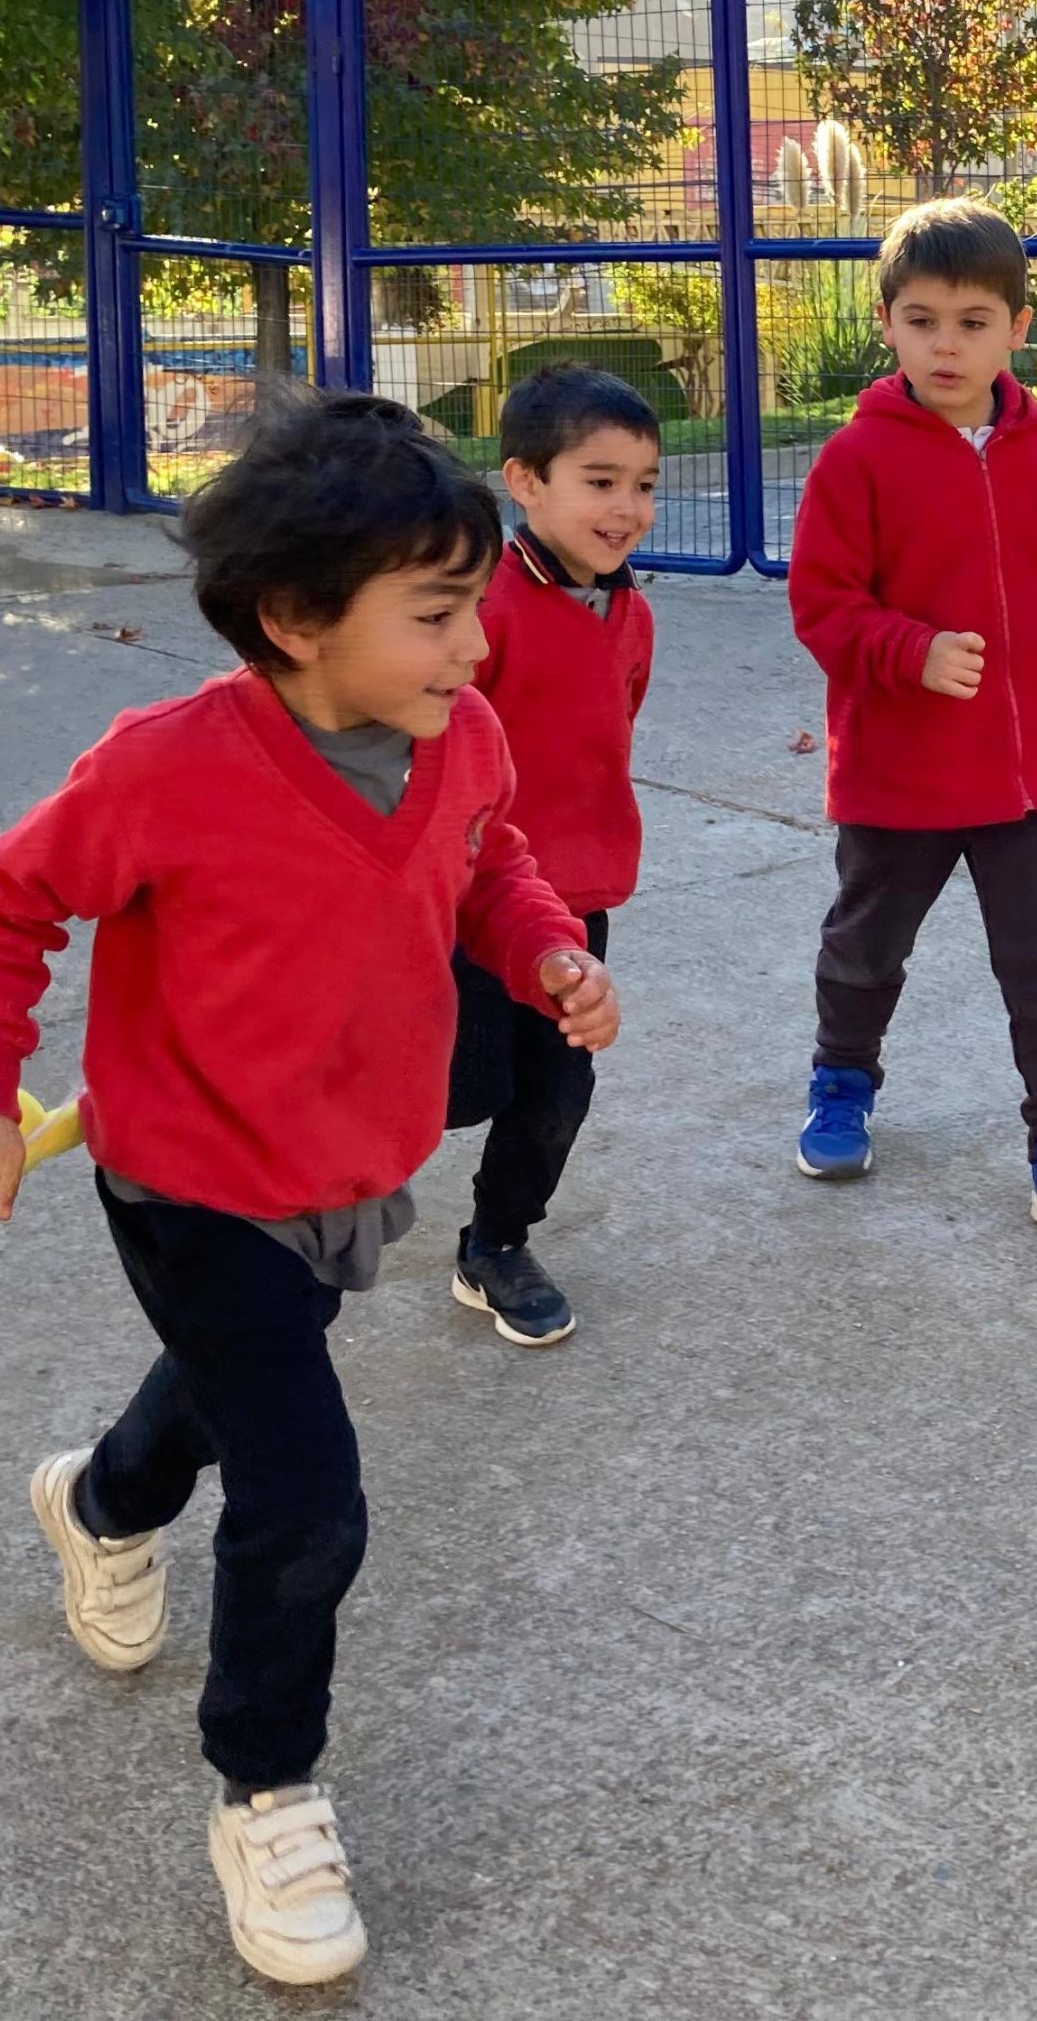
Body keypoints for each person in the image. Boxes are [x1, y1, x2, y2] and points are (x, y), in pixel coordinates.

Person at [0, 395, 618, 1986]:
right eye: (436, 617)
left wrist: (545, 944)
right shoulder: (170, 768)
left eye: (476, 611)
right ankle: (267, 1786)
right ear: (297, 621)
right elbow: (2, 900)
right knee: (306, 1487)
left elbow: (489, 862)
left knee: (236, 1386)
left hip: (351, 1160)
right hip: (188, 1174)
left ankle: (96, 1499)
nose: (474, 651)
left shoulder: (463, 738)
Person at [786, 197, 1037, 1237]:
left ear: (1017, 329)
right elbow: (822, 606)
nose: (946, 343)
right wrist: (910, 652)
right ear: (886, 324)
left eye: (972, 321)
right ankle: (841, 1082)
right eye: (921, 318)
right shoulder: (856, 460)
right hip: (901, 773)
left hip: (1034, 777)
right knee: (866, 947)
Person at [445, 363, 661, 1346]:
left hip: (574, 900)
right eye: (601, 479)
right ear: (525, 481)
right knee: (456, 1088)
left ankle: (495, 1244)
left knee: (554, 1095)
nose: (626, 507)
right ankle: (294, 1206)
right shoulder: (478, 609)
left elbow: (615, 726)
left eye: (644, 484)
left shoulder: (630, 613)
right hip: (464, 900)